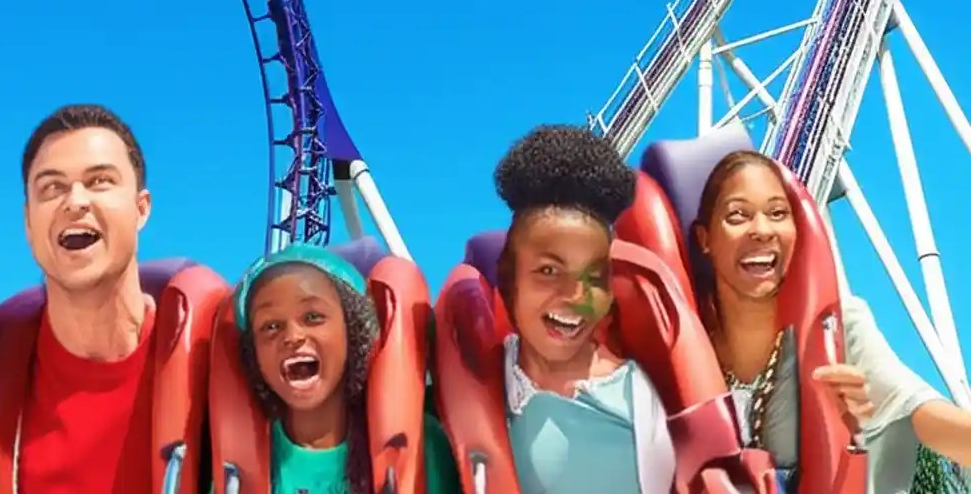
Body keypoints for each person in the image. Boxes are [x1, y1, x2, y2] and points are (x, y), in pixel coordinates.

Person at [0, 103, 211, 493]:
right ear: (29, 222)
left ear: (141, 208)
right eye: (52, 188)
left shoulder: (218, 363)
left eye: (100, 181)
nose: (75, 201)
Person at [691, 149, 971, 492]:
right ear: (704, 238)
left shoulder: (835, 329)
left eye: (778, 213)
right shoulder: (680, 350)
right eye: (738, 215)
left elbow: (915, 409)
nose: (762, 230)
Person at [493, 125, 676, 493]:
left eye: (594, 276)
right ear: (510, 278)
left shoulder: (636, 399)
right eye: (549, 271)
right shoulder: (478, 378)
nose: (575, 295)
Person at [231, 243, 460, 493]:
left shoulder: (423, 446)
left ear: (353, 331)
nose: (292, 336)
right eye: (271, 326)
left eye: (312, 317)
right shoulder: (239, 460)